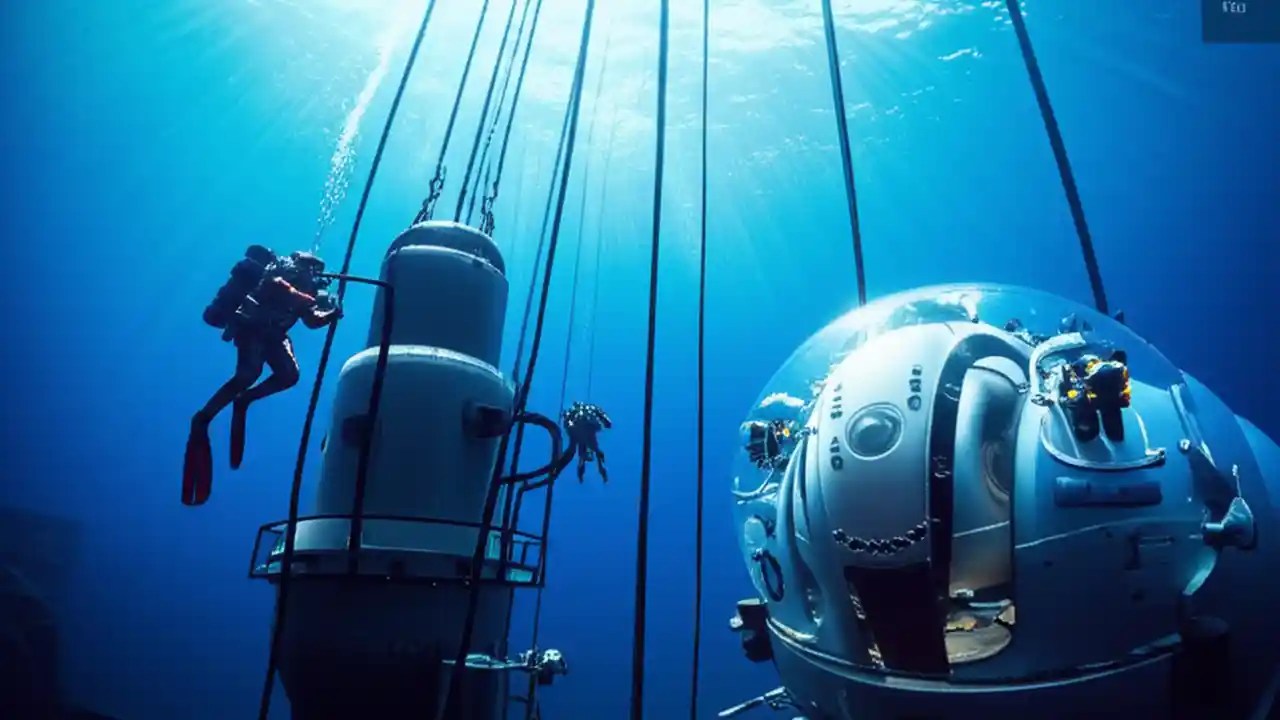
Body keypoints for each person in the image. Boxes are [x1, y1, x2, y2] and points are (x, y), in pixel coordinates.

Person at [182, 249, 341, 506]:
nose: (316, 276)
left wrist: (331, 315)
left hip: (275, 335)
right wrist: (303, 297)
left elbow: (311, 321)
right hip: (252, 329)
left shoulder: (308, 287)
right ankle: (203, 418)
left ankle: (244, 401)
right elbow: (275, 286)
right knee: (248, 374)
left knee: (289, 375)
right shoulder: (284, 271)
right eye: (314, 270)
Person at [562, 401, 611, 483]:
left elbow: (566, 418)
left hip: (578, 427)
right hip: (587, 426)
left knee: (582, 453)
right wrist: (607, 422)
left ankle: (583, 473)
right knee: (591, 451)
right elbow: (602, 415)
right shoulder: (590, 409)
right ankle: (601, 473)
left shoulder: (574, 411)